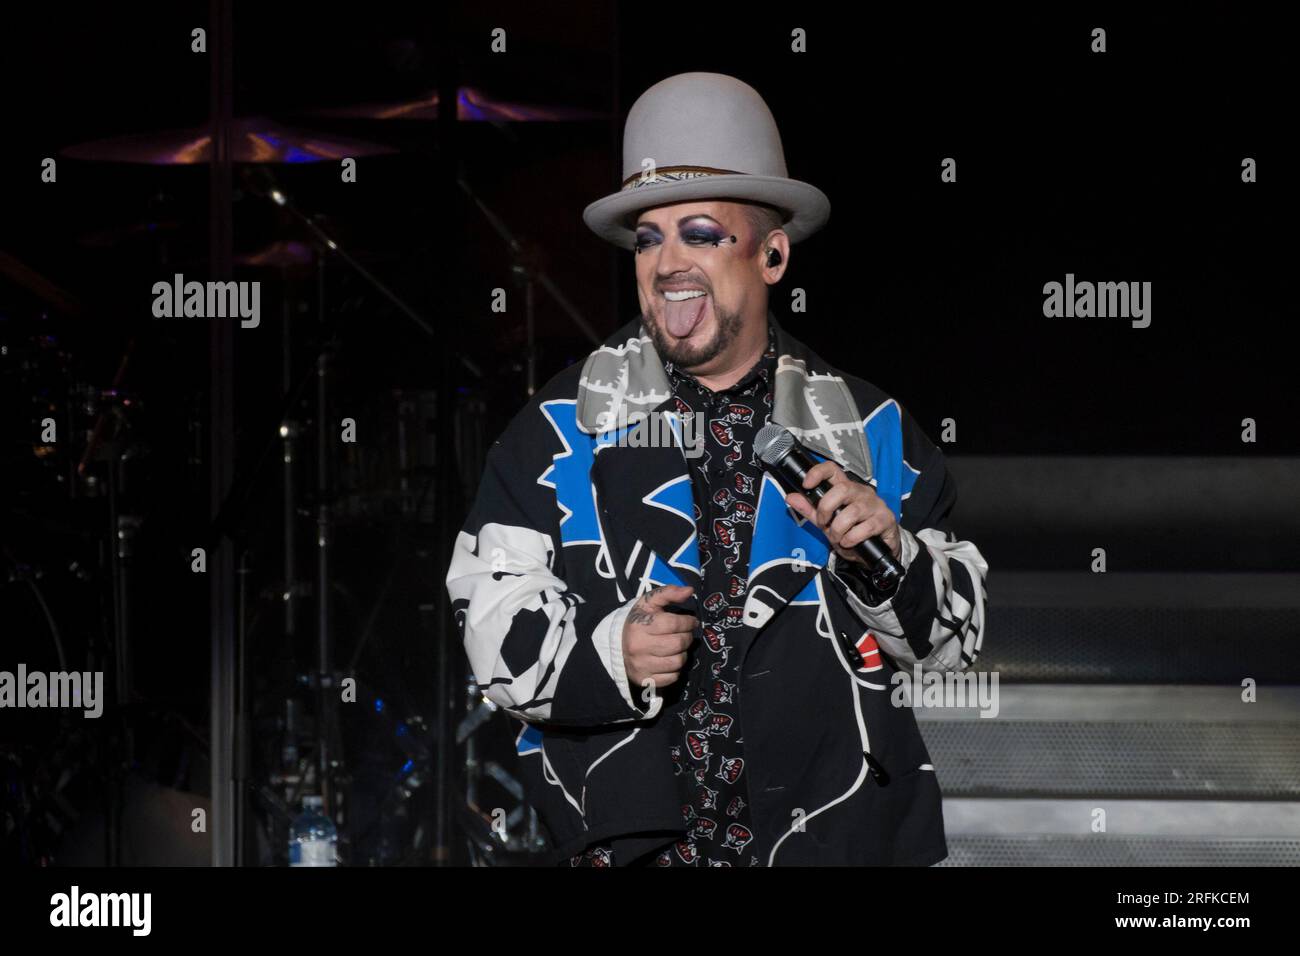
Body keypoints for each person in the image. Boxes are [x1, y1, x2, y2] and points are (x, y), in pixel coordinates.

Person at [446, 72, 988, 866]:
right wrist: (609, 656)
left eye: (699, 232)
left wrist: (890, 560)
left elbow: (953, 646)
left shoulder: (869, 429)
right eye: (649, 238)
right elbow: (486, 620)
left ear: (772, 254)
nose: (668, 263)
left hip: (832, 843)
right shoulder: (558, 428)